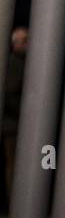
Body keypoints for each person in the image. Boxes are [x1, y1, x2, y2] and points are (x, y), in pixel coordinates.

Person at [3, 26, 28, 207]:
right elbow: (10, 92)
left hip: (16, 123)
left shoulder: (21, 63)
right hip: (13, 125)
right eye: (24, 41)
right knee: (13, 165)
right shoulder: (15, 63)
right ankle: (15, 204)